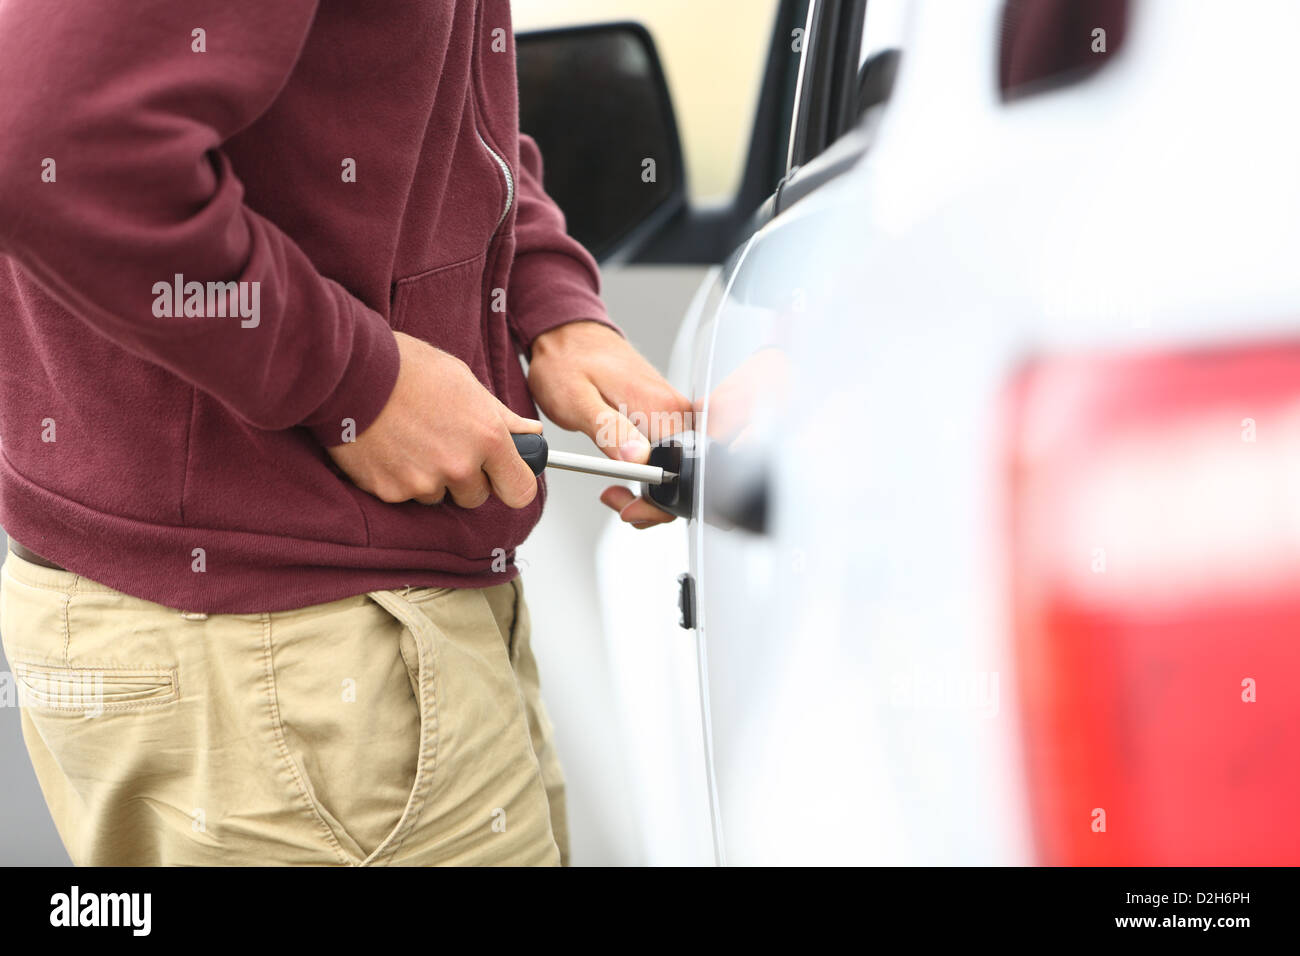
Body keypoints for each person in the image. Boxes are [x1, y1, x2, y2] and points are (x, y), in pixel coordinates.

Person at [0, 0, 689, 866]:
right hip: (303, 663)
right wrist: (357, 382)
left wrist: (550, 300)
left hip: (317, 656)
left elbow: (435, 104)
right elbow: (52, 143)